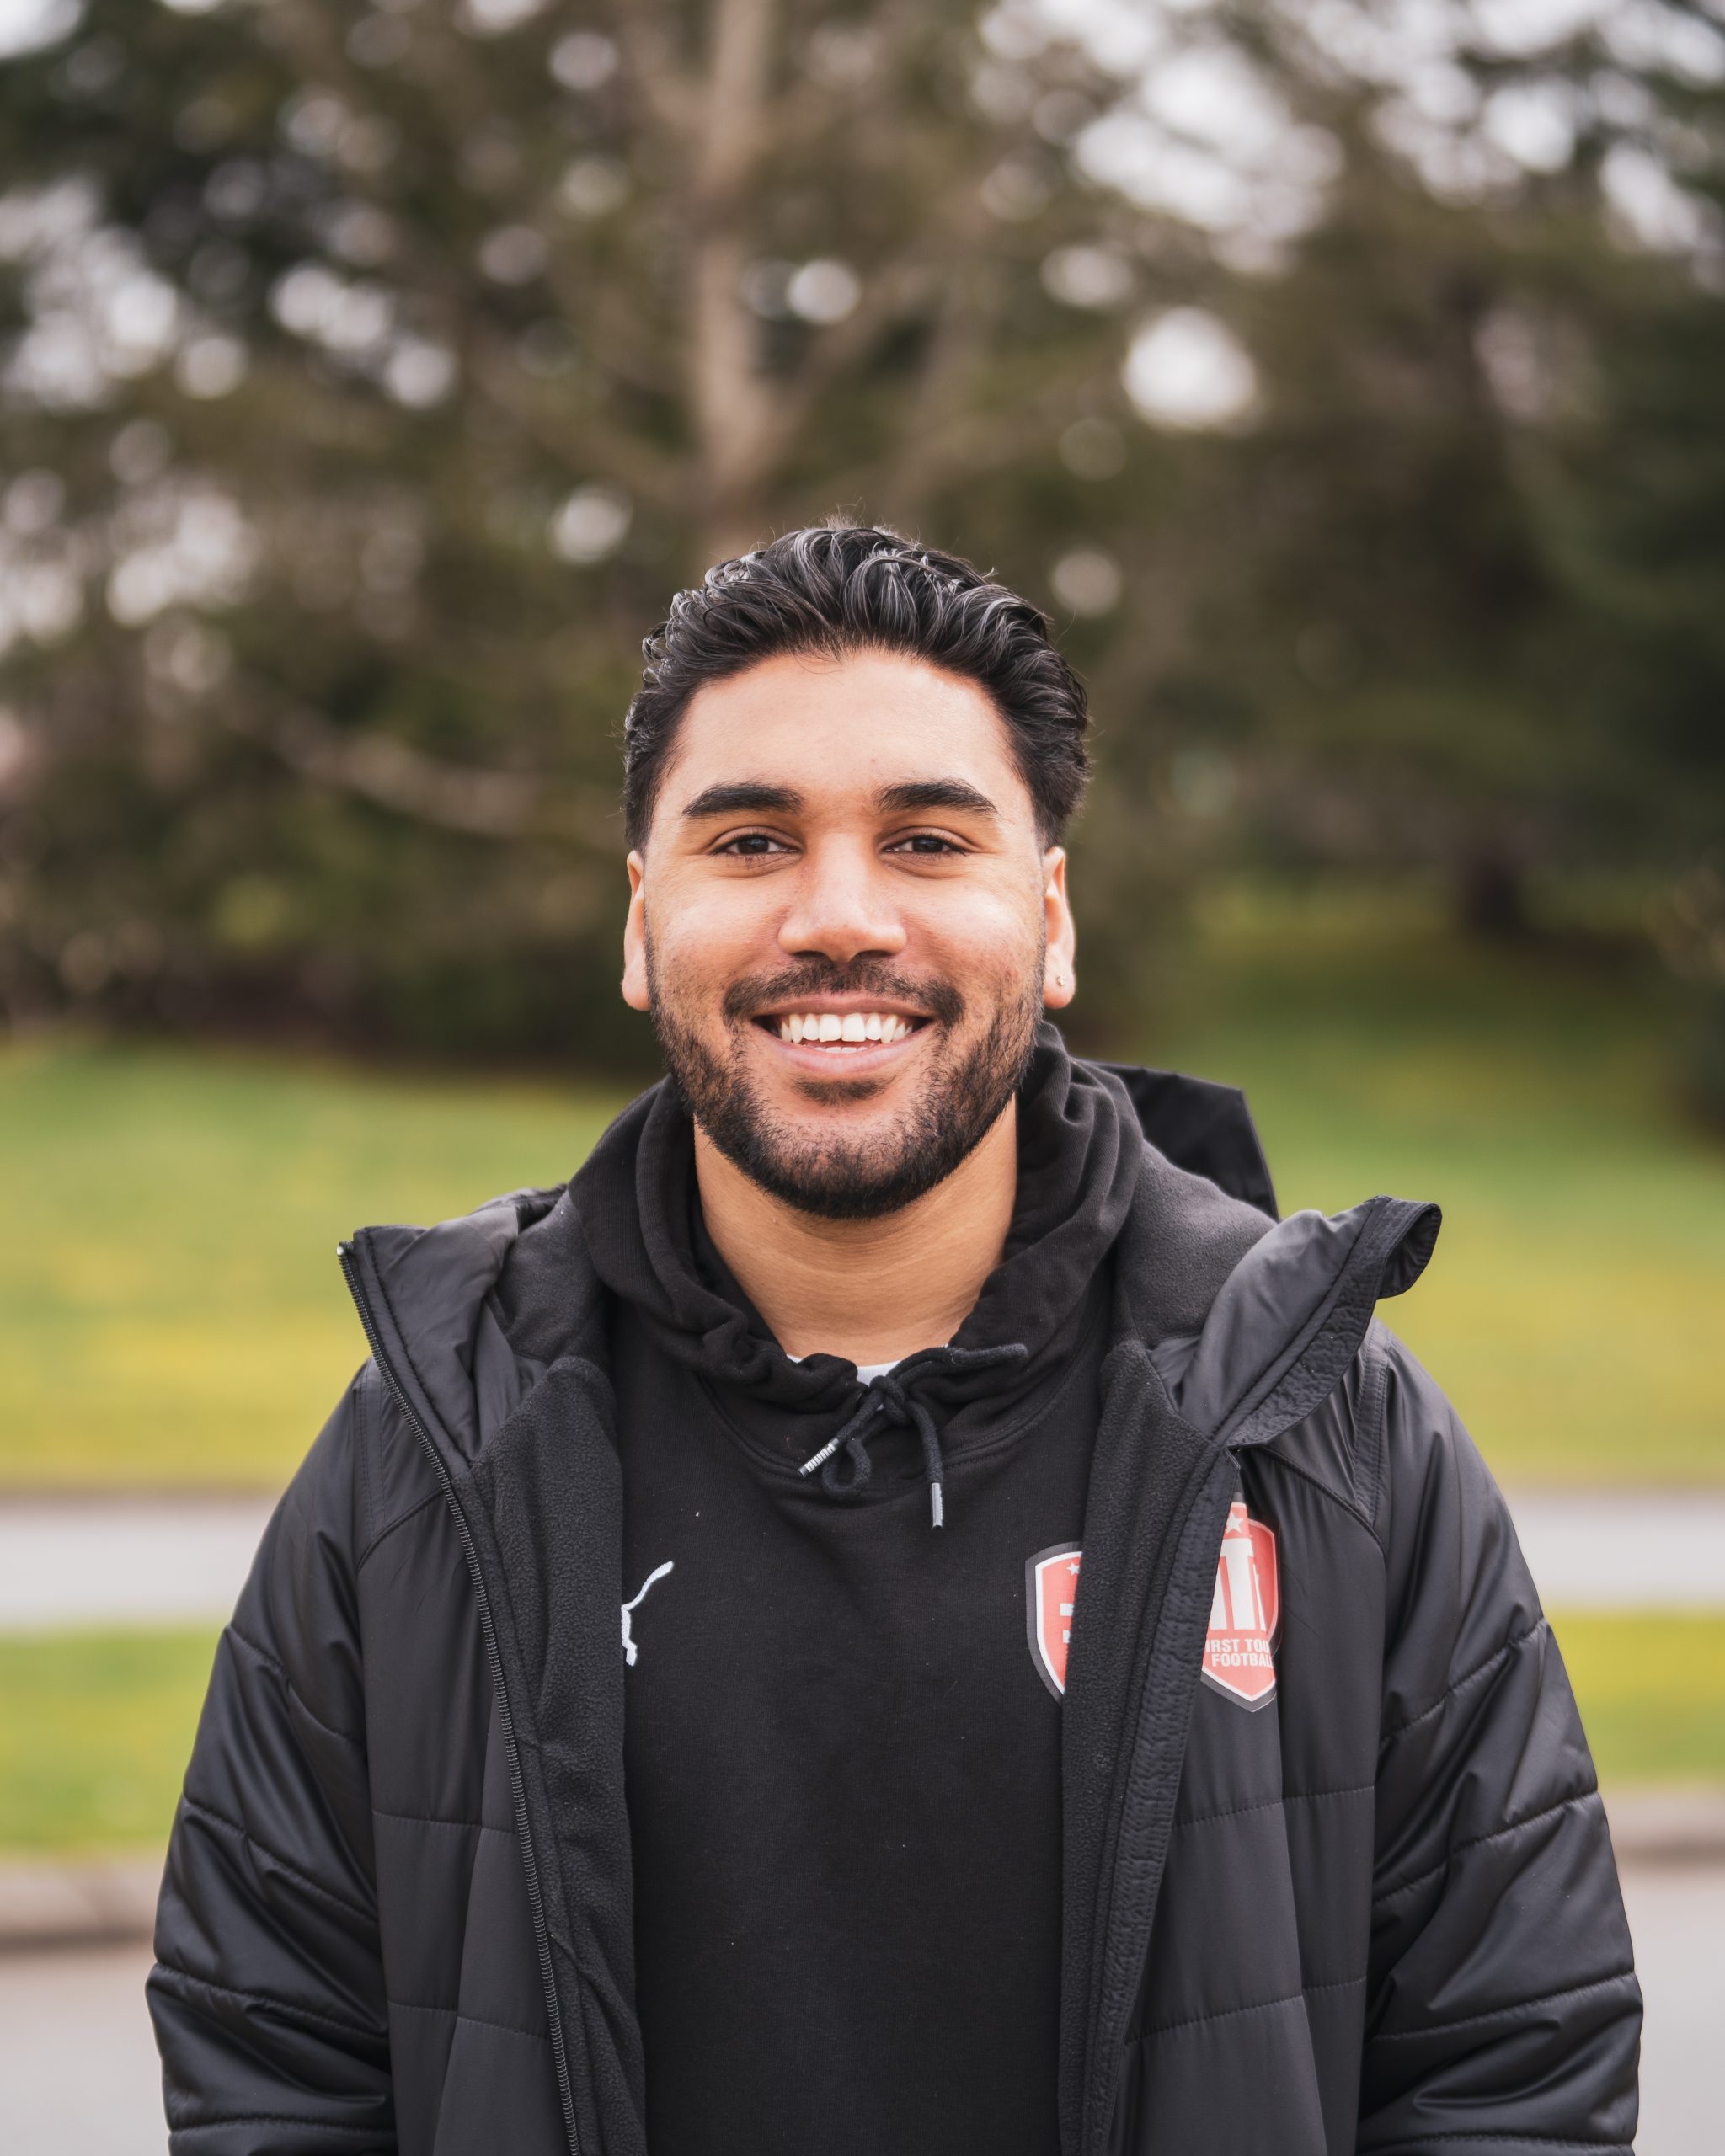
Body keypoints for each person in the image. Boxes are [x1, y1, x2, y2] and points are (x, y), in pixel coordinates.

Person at [147, 526, 1640, 2156]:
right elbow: (269, 2053)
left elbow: (1516, 2064)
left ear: (1050, 916)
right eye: (750, 840)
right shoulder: (427, 1443)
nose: (839, 916)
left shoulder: (1326, 1432)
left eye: (926, 837)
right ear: (643, 922)